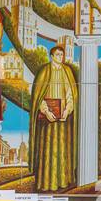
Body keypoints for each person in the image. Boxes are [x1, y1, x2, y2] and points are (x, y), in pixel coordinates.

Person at [29, 45, 78, 192]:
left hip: (63, 119)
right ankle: (45, 184)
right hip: (47, 120)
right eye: (57, 55)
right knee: (47, 151)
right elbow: (39, 96)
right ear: (51, 56)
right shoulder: (44, 71)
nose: (60, 58)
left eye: (61, 55)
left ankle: (63, 182)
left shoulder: (67, 71)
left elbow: (71, 93)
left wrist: (68, 110)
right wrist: (46, 111)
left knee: (63, 150)